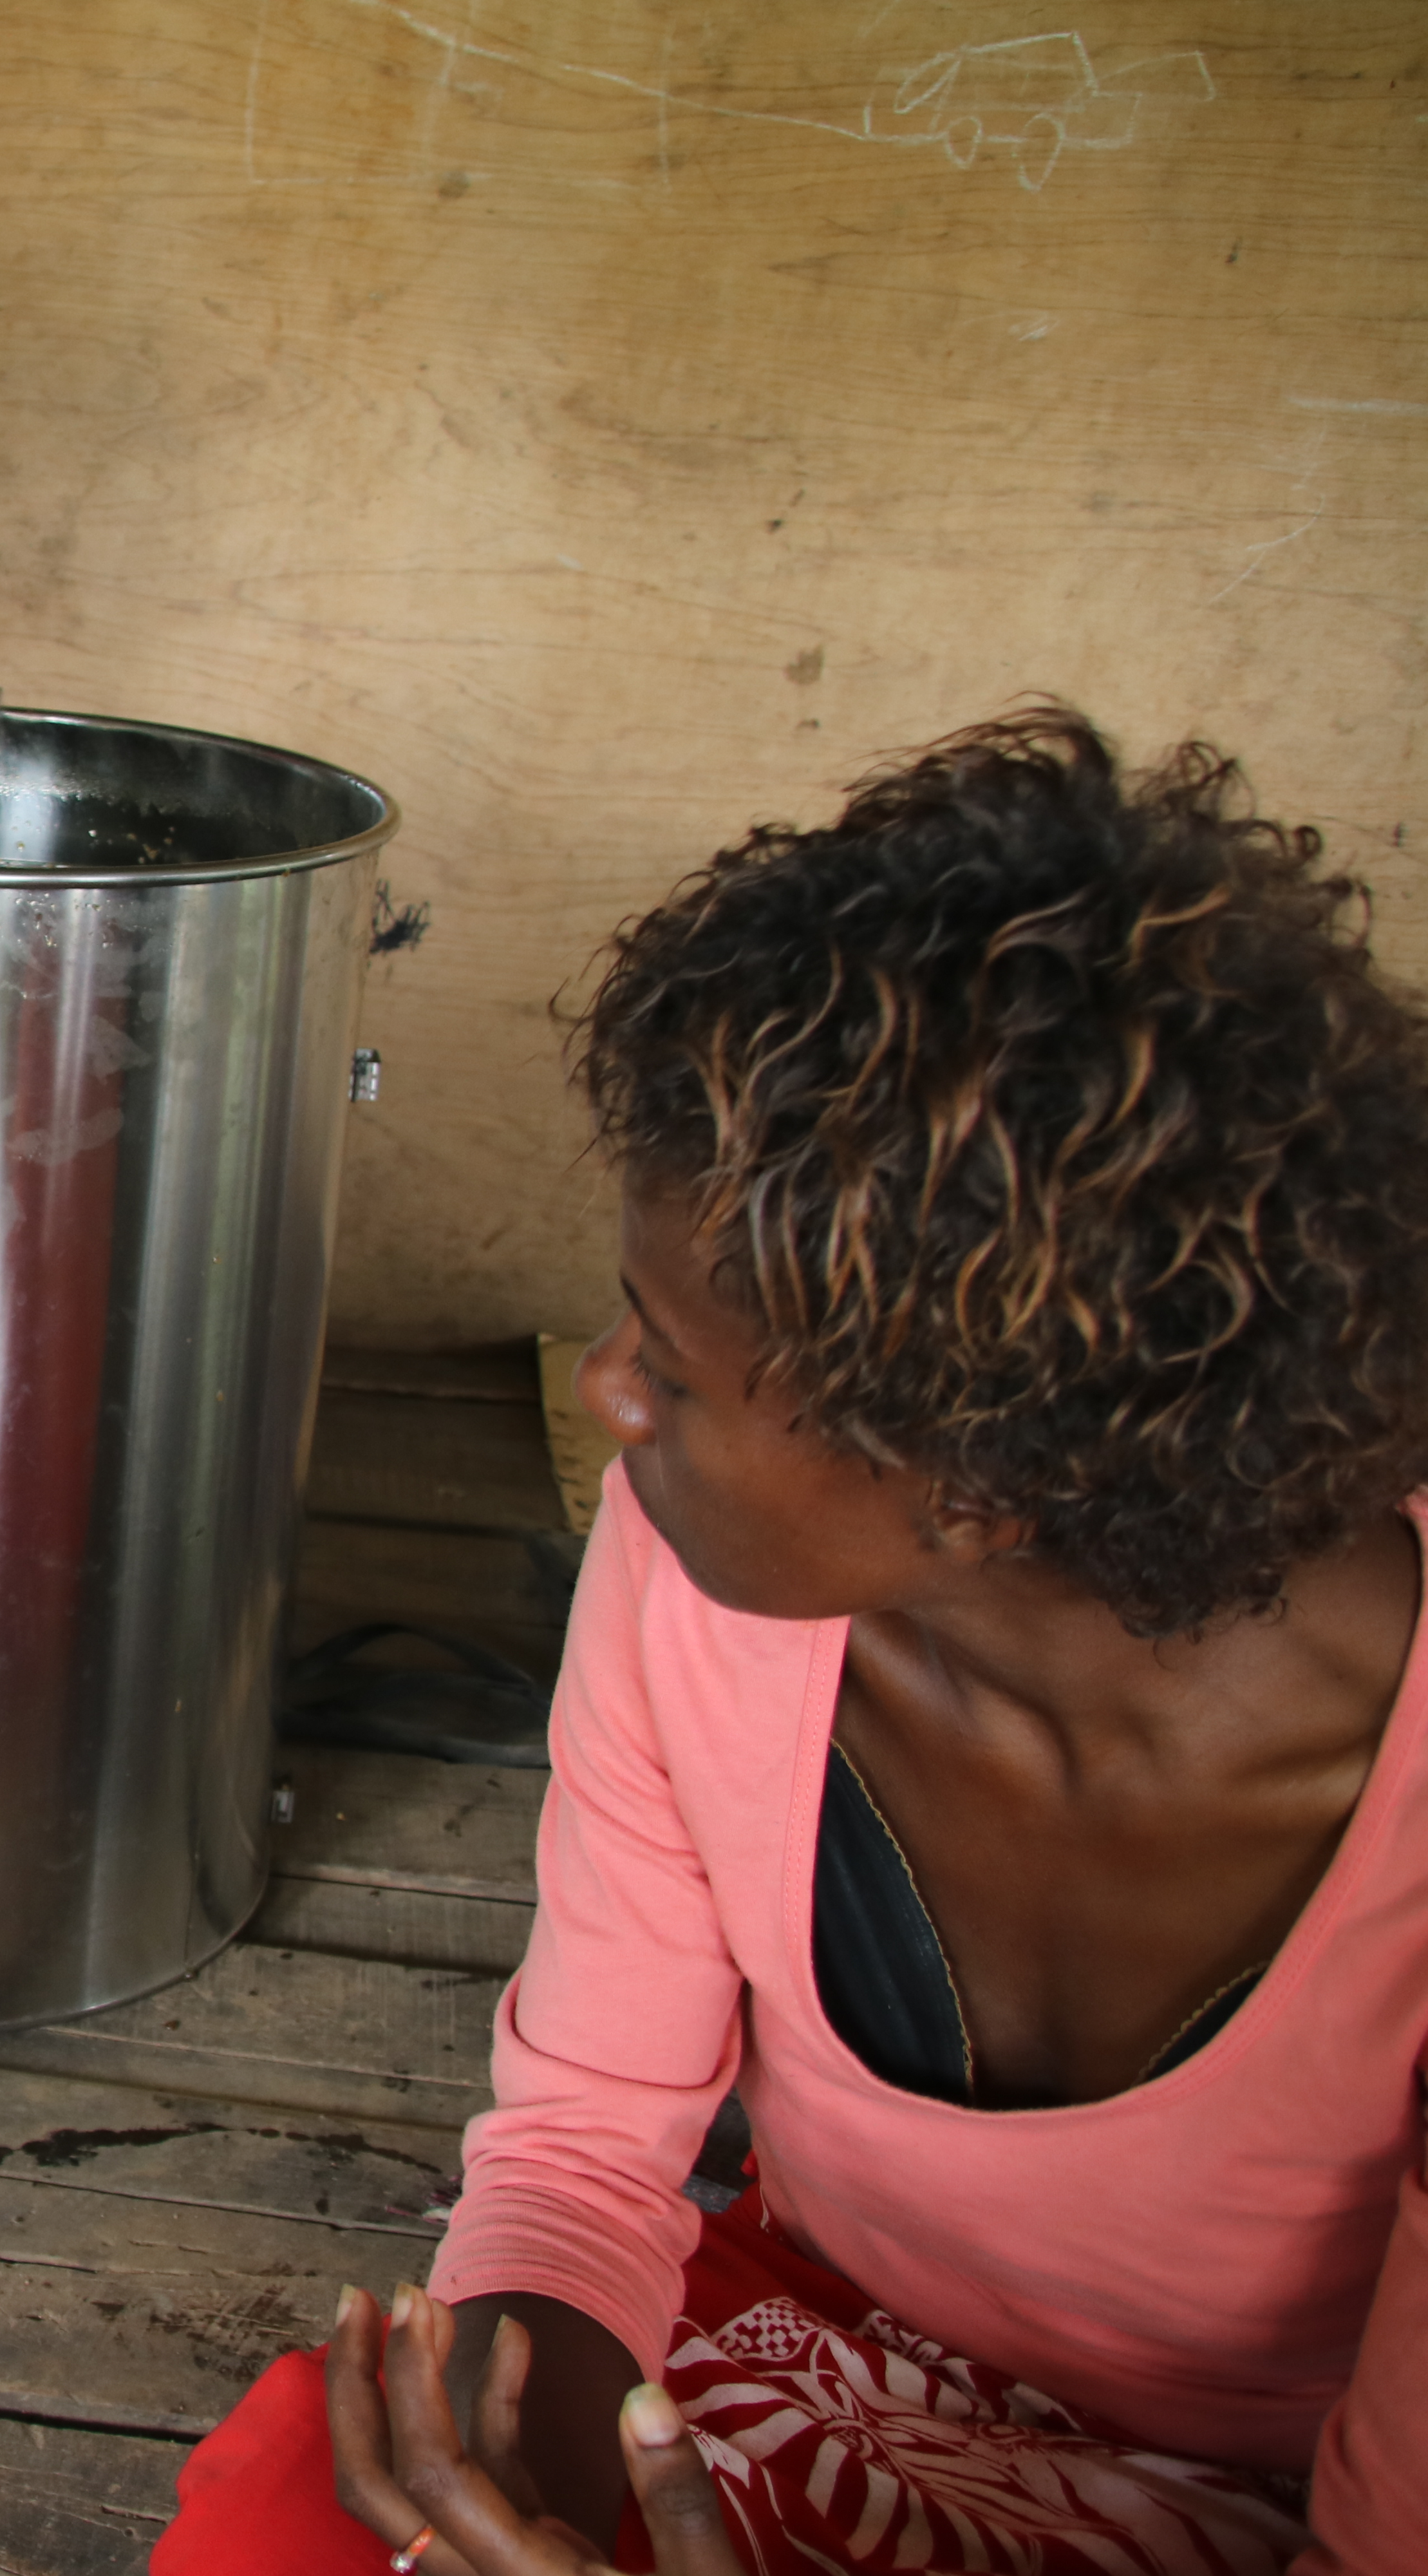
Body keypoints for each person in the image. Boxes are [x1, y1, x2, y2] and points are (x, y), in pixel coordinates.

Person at [156, 710, 1428, 2574]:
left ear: (985, 1480)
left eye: (672, 1369)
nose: (606, 1393)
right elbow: (586, 2153)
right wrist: (506, 2510)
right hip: (826, 2357)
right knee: (318, 2510)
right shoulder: (701, 1576)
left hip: (1308, 2502)